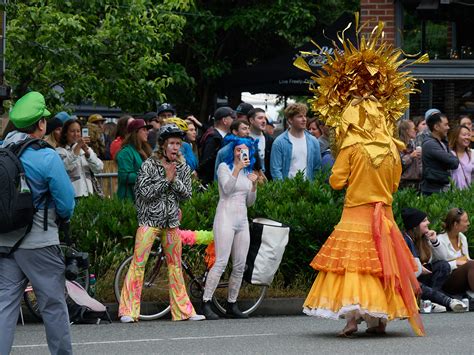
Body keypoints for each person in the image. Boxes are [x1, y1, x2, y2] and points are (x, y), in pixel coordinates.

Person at [300, 24, 425, 337]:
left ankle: (353, 319)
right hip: (384, 216)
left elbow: (336, 182)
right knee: (383, 266)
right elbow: (394, 186)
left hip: (355, 215)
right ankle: (380, 319)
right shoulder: (393, 149)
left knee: (355, 267)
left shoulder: (352, 147)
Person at [0, 92, 75, 354]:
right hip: (40, 242)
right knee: (53, 305)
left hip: (5, 241)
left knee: (5, 305)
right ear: (41, 125)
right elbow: (66, 203)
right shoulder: (46, 156)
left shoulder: (2, 151)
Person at [118, 124, 204, 322]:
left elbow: (187, 195)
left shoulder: (182, 167)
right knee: (138, 264)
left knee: (175, 266)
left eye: (178, 144)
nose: (175, 147)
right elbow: (144, 194)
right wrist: (165, 180)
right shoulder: (149, 165)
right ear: (163, 145)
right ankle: (128, 311)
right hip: (149, 221)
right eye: (172, 143)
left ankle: (183, 311)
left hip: (172, 222)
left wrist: (174, 180)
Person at [201, 136, 258, 320]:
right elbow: (226, 189)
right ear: (233, 151)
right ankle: (206, 302)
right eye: (238, 149)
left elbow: (250, 202)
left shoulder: (247, 172)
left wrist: (254, 184)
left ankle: (232, 304)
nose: (241, 153)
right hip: (225, 217)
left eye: (245, 150)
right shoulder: (224, 167)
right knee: (221, 261)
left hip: (242, 218)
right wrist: (237, 169)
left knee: (240, 264)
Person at [401, 208, 467, 313]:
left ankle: (434, 301)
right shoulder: (405, 239)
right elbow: (413, 270)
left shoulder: (424, 238)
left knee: (443, 265)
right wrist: (420, 268)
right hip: (410, 279)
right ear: (415, 225)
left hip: (422, 277)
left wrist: (434, 241)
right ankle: (442, 301)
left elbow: (443, 258)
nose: (428, 222)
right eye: (424, 221)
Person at [270, 103, 321, 181]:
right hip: (288, 189)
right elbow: (276, 170)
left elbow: (317, 168)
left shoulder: (313, 141)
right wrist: (281, 191)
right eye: (300, 116)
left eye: (305, 116)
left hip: (308, 189)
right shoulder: (279, 142)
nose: (304, 119)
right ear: (290, 120)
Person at [431, 208, 474, 298]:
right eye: (465, 221)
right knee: (471, 265)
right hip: (446, 280)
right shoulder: (439, 240)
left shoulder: (462, 238)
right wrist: (456, 263)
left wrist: (467, 262)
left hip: (460, 278)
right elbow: (436, 266)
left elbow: (467, 259)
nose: (468, 223)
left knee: (471, 264)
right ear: (455, 224)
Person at [57, 119, 104, 198]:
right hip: (71, 196)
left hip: (89, 196)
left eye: (78, 131)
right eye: (72, 131)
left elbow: (99, 168)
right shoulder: (60, 151)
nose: (76, 134)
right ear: (65, 133)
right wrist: (77, 147)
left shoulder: (85, 150)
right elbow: (65, 168)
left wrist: (87, 152)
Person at [421, 112, 459, 195]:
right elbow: (453, 161)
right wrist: (453, 159)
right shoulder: (430, 144)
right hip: (432, 191)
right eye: (445, 125)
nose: (448, 128)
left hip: (441, 188)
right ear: (436, 127)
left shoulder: (442, 142)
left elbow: (454, 164)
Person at [197, 106, 235, 185]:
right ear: (224, 120)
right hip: (211, 183)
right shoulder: (213, 138)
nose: (235, 121)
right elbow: (207, 162)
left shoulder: (223, 136)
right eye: (232, 118)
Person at [116, 119, 152, 200]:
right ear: (135, 132)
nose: (147, 132)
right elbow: (124, 176)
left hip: (143, 198)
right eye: (144, 130)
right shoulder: (125, 152)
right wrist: (147, 176)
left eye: (147, 130)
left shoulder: (145, 149)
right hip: (129, 198)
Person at [248, 108, 274, 180]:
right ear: (251, 120)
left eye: (265, 119)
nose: (264, 121)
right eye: (260, 118)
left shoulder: (270, 140)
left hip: (266, 182)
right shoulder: (243, 139)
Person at [398, 119, 422, 189]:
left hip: (417, 181)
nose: (416, 130)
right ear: (407, 131)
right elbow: (399, 163)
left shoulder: (413, 143)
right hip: (404, 182)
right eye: (414, 129)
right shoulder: (399, 145)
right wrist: (411, 156)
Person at [448, 124, 474, 189]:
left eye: (468, 135)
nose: (467, 137)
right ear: (456, 137)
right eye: (464, 135)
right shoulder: (449, 154)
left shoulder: (472, 153)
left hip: (468, 195)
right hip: (453, 195)